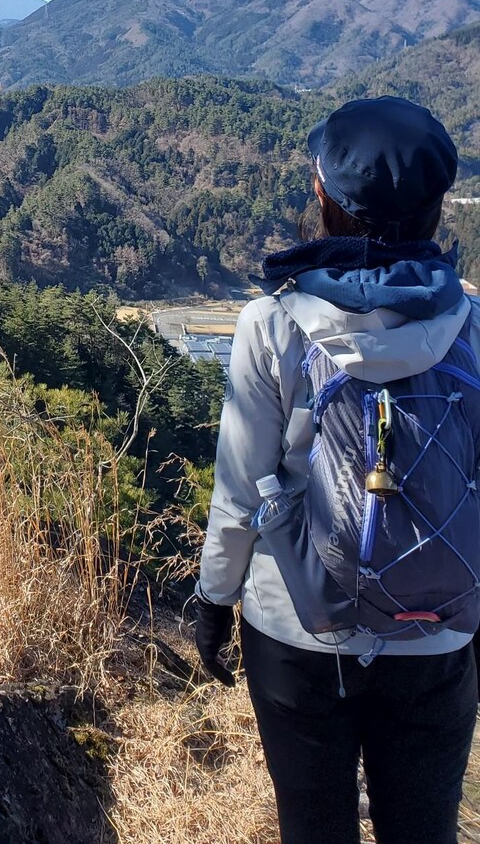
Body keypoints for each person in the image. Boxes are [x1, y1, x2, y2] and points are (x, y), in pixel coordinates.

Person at [194, 95, 480, 844]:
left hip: (297, 630)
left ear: (323, 197)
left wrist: (213, 601)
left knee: (313, 828)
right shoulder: (472, 325)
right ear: (436, 207)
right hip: (438, 631)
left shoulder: (275, 323)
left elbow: (237, 493)